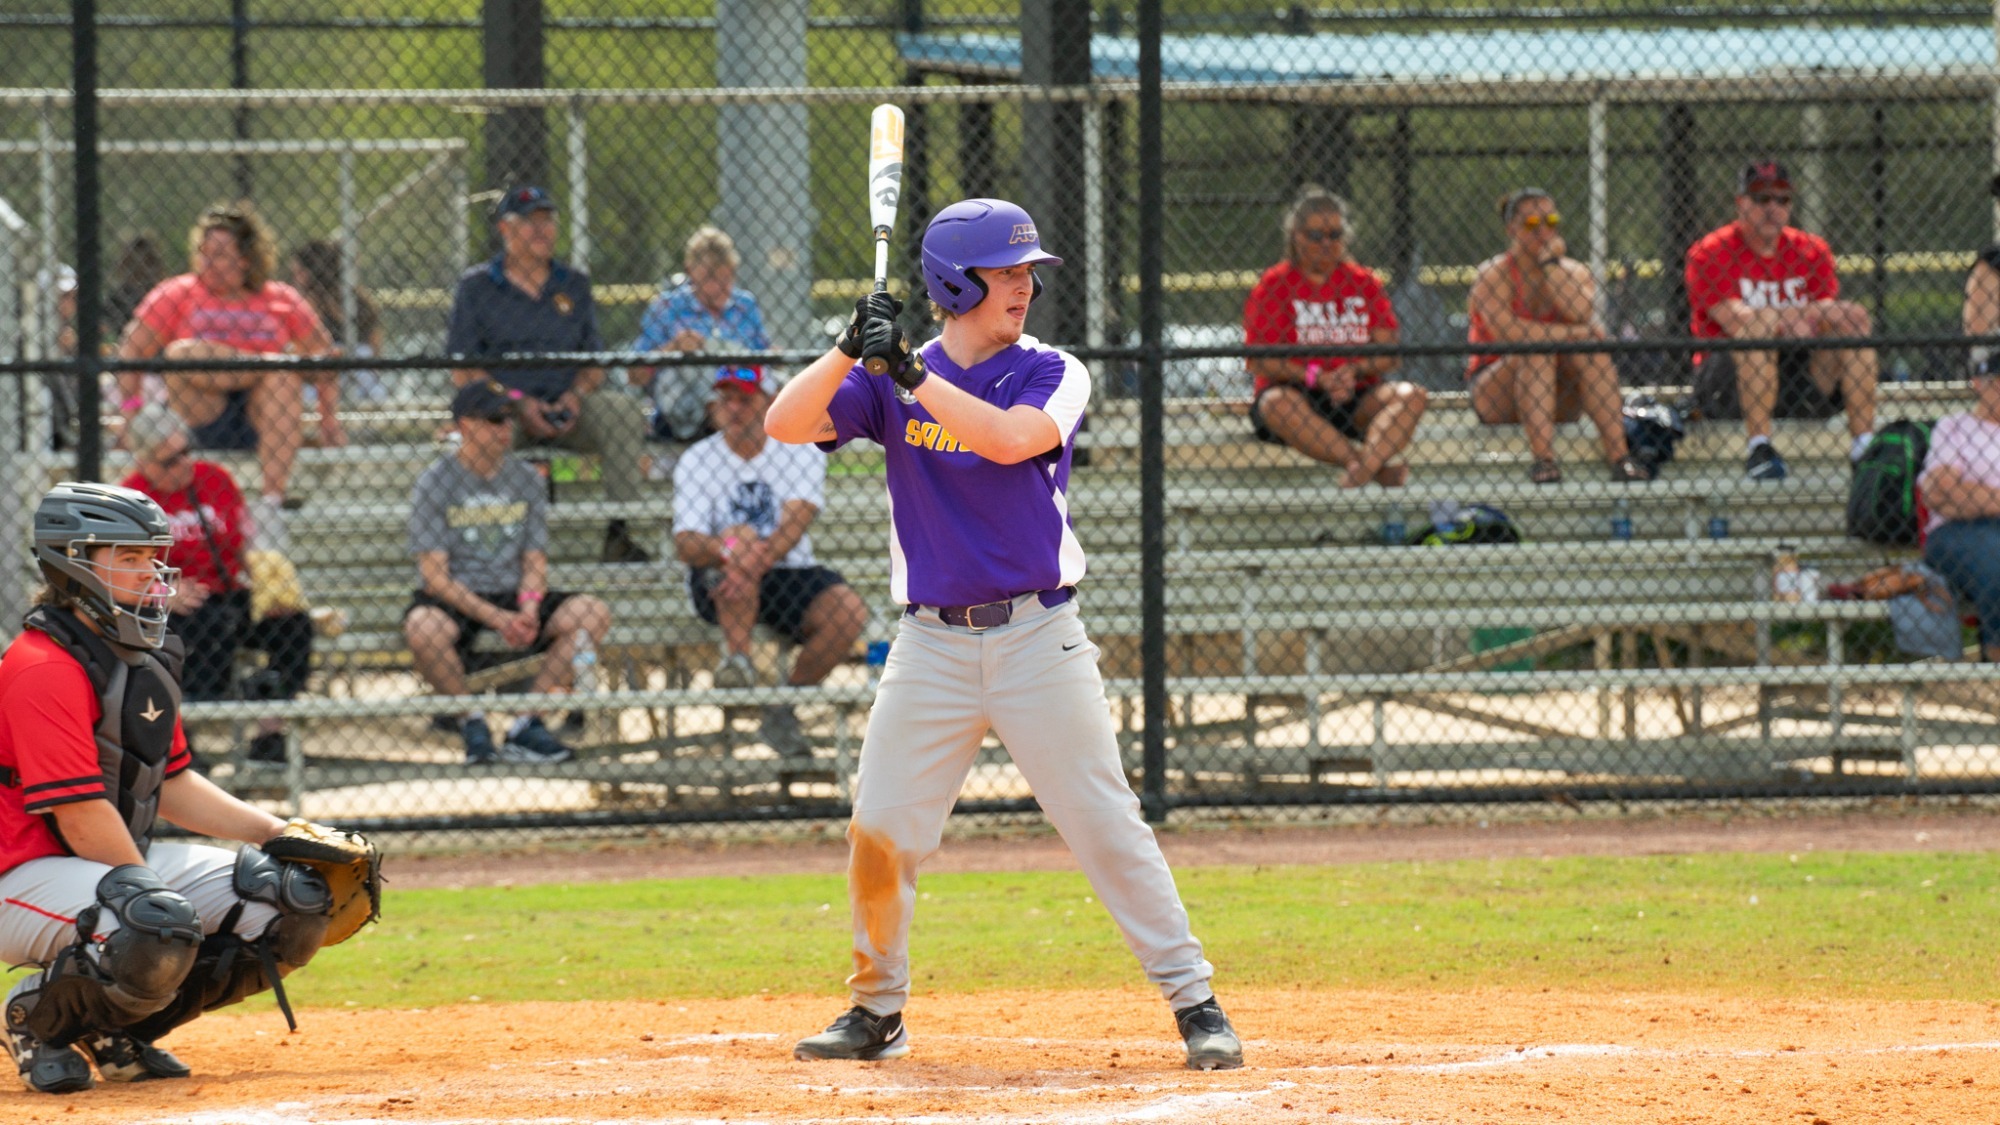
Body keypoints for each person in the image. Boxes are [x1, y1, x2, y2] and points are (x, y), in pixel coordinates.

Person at [764, 197, 1242, 1071]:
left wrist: (907, 371)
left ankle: (1195, 1001)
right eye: (1007, 272)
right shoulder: (883, 377)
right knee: (880, 827)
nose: (1024, 286)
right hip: (931, 647)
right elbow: (783, 424)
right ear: (956, 281)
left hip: (1037, 639)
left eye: (1028, 271)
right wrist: (847, 347)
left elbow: (1008, 442)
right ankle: (877, 1008)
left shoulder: (1050, 370)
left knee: (1105, 822)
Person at [0, 482, 338, 1092]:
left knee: (289, 900)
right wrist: (154, 904)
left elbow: (172, 783)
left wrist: (278, 834)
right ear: (72, 565)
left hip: (93, 865)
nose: (150, 574)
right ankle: (37, 1017)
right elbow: (79, 815)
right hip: (18, 872)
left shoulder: (137, 658)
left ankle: (112, 1026)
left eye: (152, 558)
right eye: (127, 559)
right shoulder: (42, 665)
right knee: (157, 923)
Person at [403, 380, 610, 765]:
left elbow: (534, 560)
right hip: (458, 597)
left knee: (591, 613)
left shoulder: (526, 478)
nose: (505, 429)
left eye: (509, 419)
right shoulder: (435, 481)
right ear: (465, 425)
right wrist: (498, 618)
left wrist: (529, 608)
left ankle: (526, 724)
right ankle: (471, 722)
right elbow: (435, 577)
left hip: (515, 594)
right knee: (423, 628)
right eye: (494, 419)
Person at [115, 202, 344, 551]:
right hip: (199, 416)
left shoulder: (279, 298)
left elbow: (326, 359)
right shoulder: (177, 293)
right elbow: (129, 352)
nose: (208, 262)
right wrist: (130, 414)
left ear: (247, 259)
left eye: (220, 254)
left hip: (262, 420)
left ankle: (269, 505)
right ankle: (265, 364)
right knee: (183, 354)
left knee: (281, 377)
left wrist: (329, 420)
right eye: (203, 253)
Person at [671, 365, 867, 759]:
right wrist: (731, 550)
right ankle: (738, 663)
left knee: (849, 612)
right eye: (726, 399)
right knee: (735, 544)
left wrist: (748, 558)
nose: (735, 408)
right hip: (721, 569)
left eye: (746, 399)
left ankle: (783, 706)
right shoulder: (697, 459)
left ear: (771, 403)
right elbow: (687, 542)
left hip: (786, 569)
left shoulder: (799, 447)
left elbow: (796, 521)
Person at [447, 186, 651, 563]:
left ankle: (621, 531)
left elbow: (594, 362)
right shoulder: (476, 287)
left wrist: (576, 394)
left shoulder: (573, 284)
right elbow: (464, 370)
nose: (542, 230)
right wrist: (516, 403)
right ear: (505, 230)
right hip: (506, 409)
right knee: (484, 423)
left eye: (548, 221)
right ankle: (494, 544)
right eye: (530, 222)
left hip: (568, 405)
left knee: (621, 411)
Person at [120, 405, 313, 766]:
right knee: (200, 626)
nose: (183, 466)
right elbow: (117, 574)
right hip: (175, 605)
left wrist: (270, 589)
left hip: (228, 593)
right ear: (143, 461)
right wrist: (164, 593)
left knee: (294, 626)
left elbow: (247, 546)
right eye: (169, 461)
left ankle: (269, 731)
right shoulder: (131, 498)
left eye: (186, 453)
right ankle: (182, 740)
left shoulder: (215, 479)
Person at [1686, 160, 1879, 481]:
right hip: (1728, 382)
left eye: (1783, 199)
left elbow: (1831, 315)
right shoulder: (1711, 251)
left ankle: (1864, 444)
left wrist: (1807, 318)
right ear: (1741, 203)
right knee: (1757, 327)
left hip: (1798, 376)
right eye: (1762, 199)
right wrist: (1800, 317)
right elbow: (1737, 322)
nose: (1772, 208)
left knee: (1853, 319)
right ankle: (1759, 445)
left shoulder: (1812, 249)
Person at [1243, 186, 1427, 487]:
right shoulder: (1275, 284)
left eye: (1335, 235)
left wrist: (1353, 370)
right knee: (1275, 403)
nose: (1327, 243)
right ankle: (1368, 467)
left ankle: (1364, 467)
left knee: (1412, 396)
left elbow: (1388, 352)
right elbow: (1259, 361)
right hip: (1296, 394)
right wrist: (1316, 377)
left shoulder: (1364, 282)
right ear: (1296, 236)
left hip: (1355, 393)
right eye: (1316, 236)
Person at [1466, 188, 1649, 484]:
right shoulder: (1494, 274)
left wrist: (1551, 266)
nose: (1543, 231)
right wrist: (1572, 333)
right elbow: (1509, 333)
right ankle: (1543, 461)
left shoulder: (1572, 271)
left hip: (1556, 396)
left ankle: (1620, 457)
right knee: (1538, 350)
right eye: (1531, 225)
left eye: (1550, 221)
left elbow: (1581, 312)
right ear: (1512, 229)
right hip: (1498, 390)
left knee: (1591, 350)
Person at [630, 225, 772, 445]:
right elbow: (634, 376)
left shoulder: (745, 305)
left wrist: (773, 357)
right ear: (690, 271)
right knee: (695, 368)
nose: (721, 287)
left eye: (728, 277)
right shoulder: (668, 307)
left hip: (742, 393)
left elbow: (763, 361)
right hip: (686, 407)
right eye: (711, 277)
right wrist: (673, 348)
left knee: (776, 383)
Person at [1919, 358, 2000, 662]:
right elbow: (1938, 492)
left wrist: (1969, 495)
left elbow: (1953, 491)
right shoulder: (1955, 426)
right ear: (1979, 384)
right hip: (1955, 531)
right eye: (1997, 381)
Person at [290, 239, 390, 405]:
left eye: (299, 272)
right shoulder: (360, 298)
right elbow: (376, 346)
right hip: (359, 369)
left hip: (342, 366)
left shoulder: (312, 299)